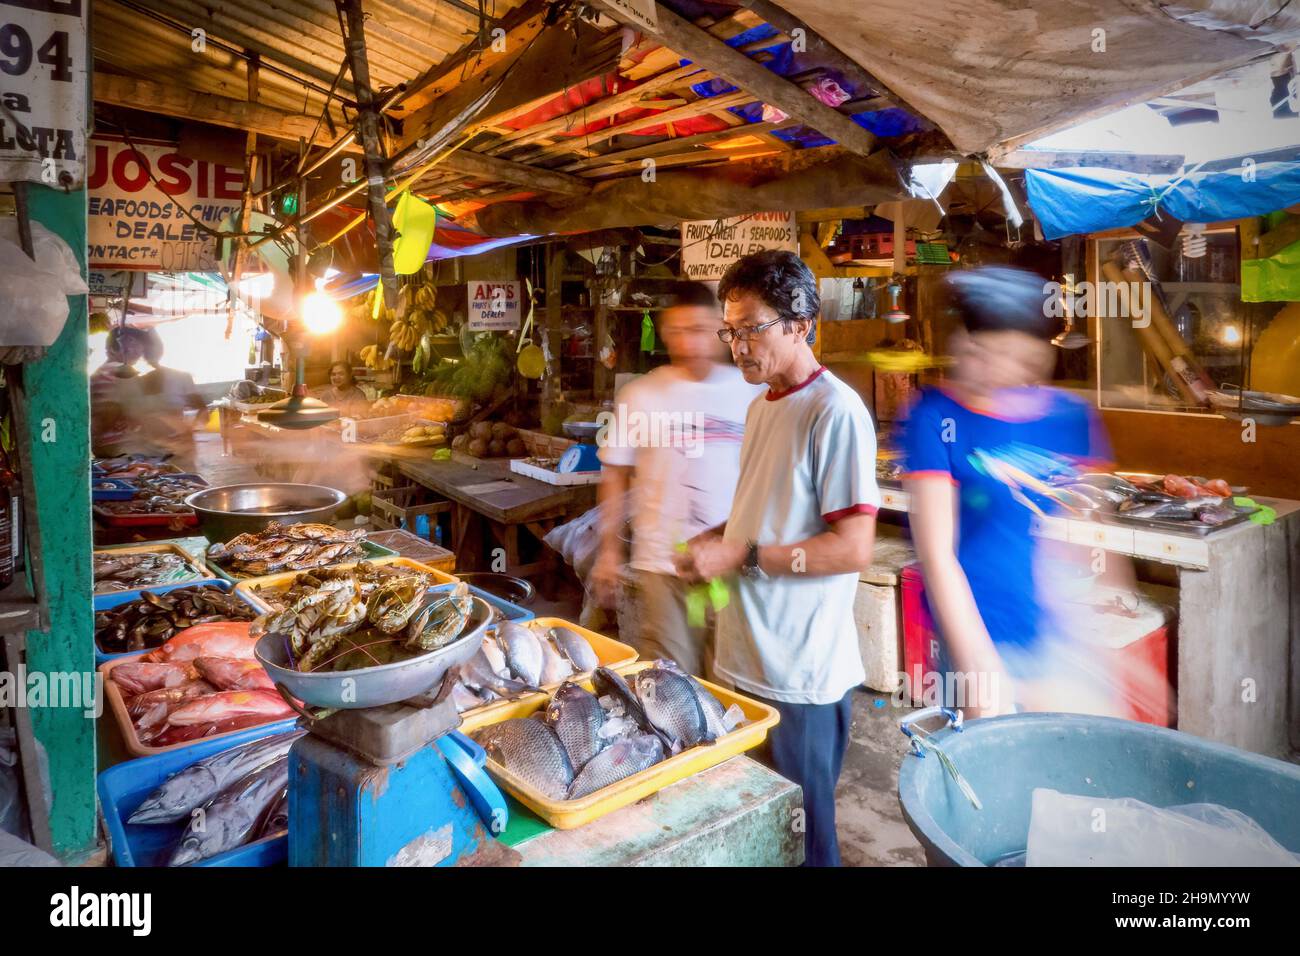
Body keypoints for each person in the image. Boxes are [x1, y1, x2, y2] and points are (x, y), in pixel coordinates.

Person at [677, 250, 879, 867]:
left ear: (801, 323)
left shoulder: (835, 412)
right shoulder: (764, 405)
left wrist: (747, 555)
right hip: (743, 659)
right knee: (755, 836)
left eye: (752, 328)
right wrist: (718, 537)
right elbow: (764, 511)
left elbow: (852, 547)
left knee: (805, 844)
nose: (737, 346)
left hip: (800, 677)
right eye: (730, 331)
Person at [901, 266, 1118, 719]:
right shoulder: (934, 417)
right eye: (975, 348)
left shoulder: (1069, 418)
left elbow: (1091, 535)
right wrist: (980, 672)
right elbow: (938, 555)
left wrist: (1110, 653)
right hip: (978, 635)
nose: (983, 366)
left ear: (1037, 354)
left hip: (1060, 640)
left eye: (1005, 353)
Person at [592, 282, 763, 677]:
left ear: (720, 331)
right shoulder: (641, 394)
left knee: (731, 676)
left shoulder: (750, 392)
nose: (690, 343)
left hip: (730, 562)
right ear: (667, 333)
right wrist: (608, 553)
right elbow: (615, 473)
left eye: (701, 330)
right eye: (680, 331)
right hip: (661, 564)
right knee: (671, 678)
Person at [118, 329, 206, 468]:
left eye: (153, 349)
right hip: (145, 456)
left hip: (180, 454)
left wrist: (189, 430)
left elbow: (203, 411)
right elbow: (127, 421)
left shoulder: (181, 377)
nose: (149, 354)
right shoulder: (129, 383)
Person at [90, 326, 147, 456]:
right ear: (112, 349)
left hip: (104, 444)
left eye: (140, 345)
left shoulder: (99, 372)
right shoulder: (117, 370)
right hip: (120, 445)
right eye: (132, 344)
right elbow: (110, 410)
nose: (139, 351)